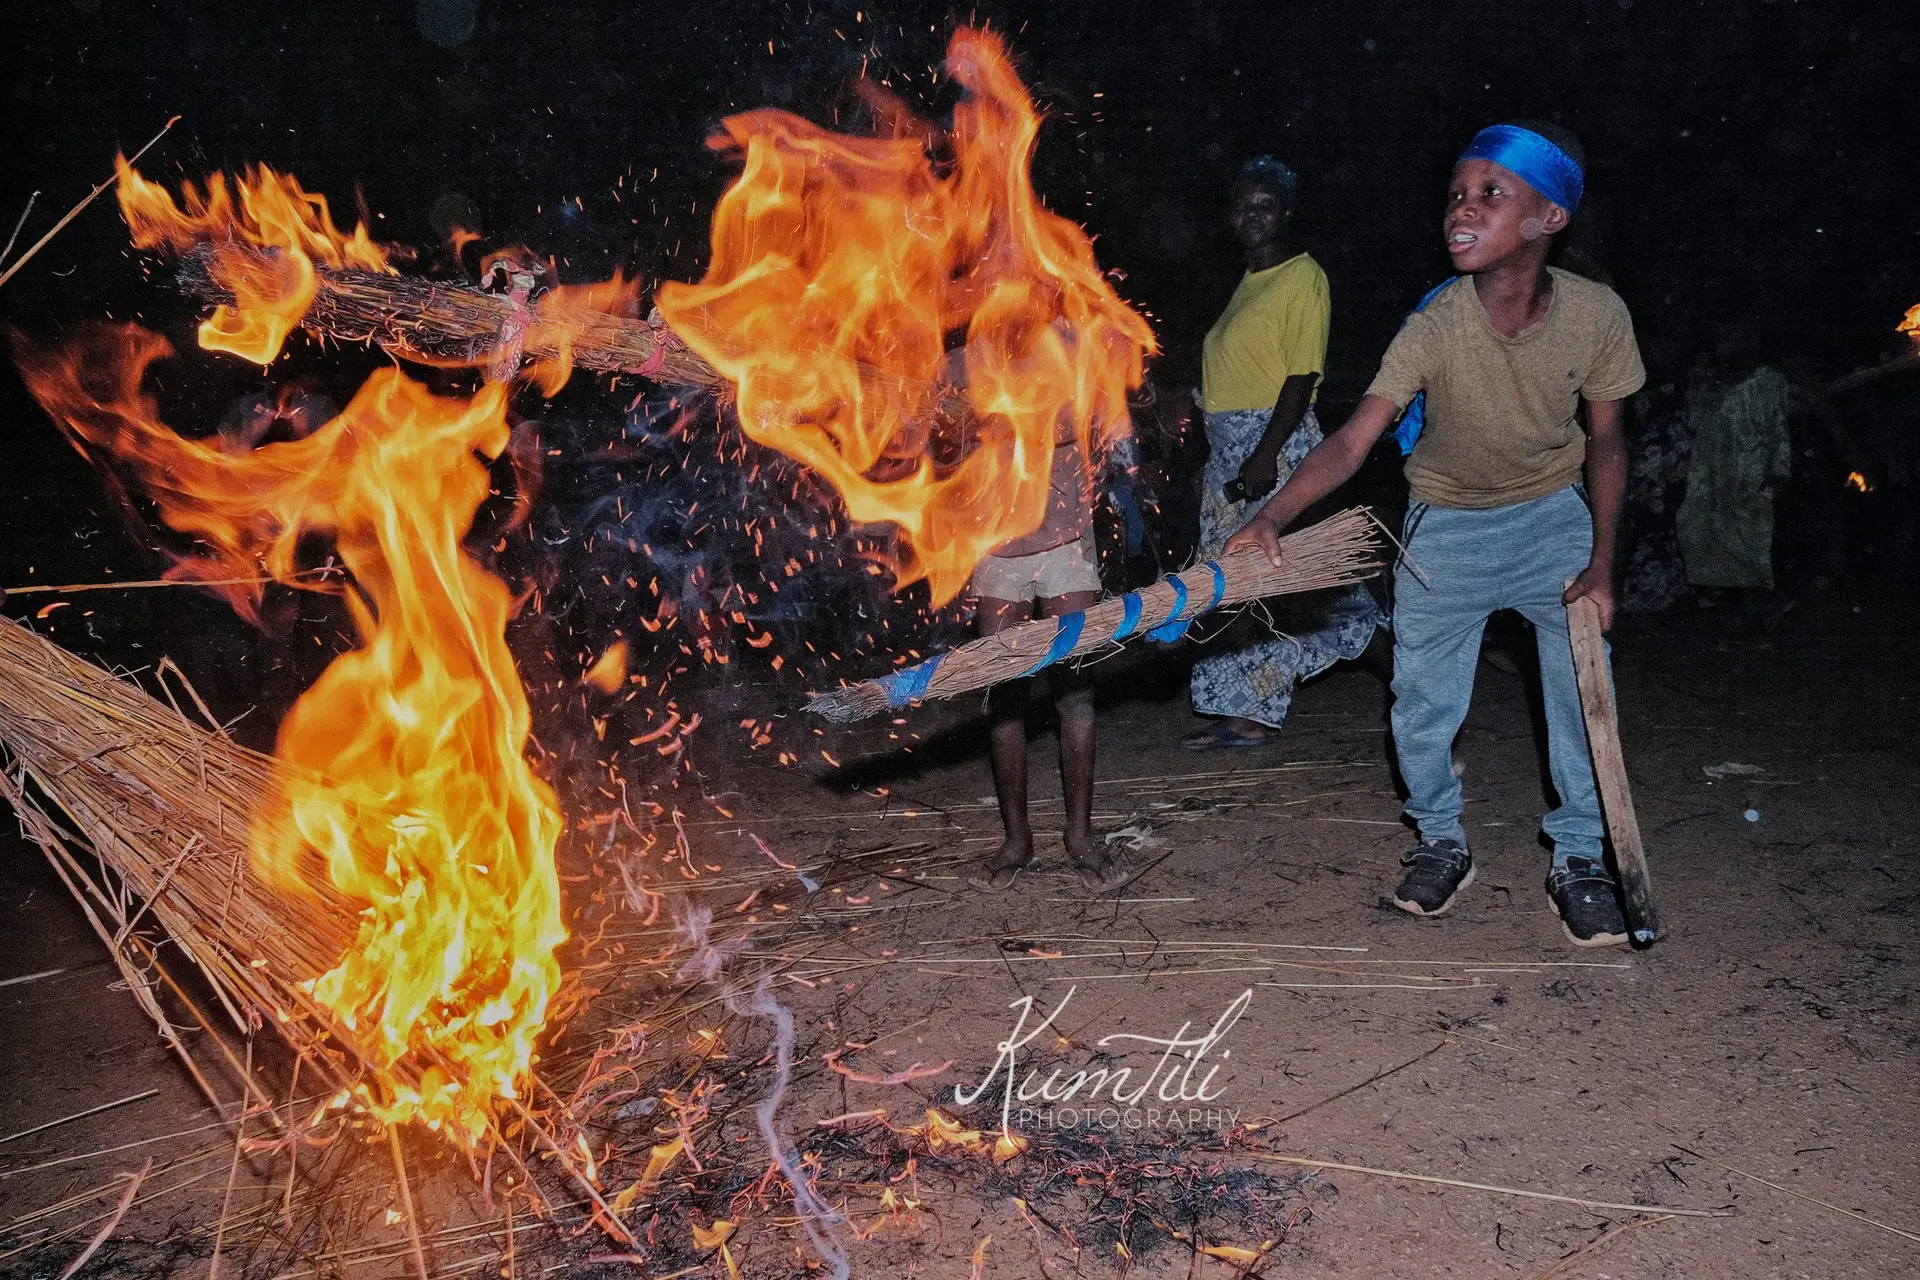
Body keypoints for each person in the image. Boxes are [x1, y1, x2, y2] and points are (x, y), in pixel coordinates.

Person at [1226, 122, 1646, 948]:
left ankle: (1580, 859)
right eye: (1457, 193)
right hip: (1443, 529)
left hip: (1551, 522)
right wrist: (1270, 515)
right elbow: (1354, 439)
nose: (1464, 207)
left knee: (1580, 694)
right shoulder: (1435, 324)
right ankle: (1440, 841)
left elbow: (1607, 441)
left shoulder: (1597, 316)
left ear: (1547, 218)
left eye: (1491, 194)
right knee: (1421, 704)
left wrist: (1600, 565)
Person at [1186, 157, 1383, 749]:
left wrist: (1266, 453)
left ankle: (1403, 670)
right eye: (1243, 205)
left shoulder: (1303, 277)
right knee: (1229, 583)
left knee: (1298, 581)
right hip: (1230, 450)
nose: (1253, 216)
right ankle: (1242, 712)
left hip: (1274, 444)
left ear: (1288, 213)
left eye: (1265, 204)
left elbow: (1300, 377)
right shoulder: (1246, 286)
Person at [959, 343, 1131, 893]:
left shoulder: (1074, 344)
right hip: (994, 547)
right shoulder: (961, 361)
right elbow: (938, 451)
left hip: (1067, 542)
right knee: (1004, 693)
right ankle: (1017, 839)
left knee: (1075, 692)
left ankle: (1080, 836)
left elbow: (1108, 425)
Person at [1675, 326, 1792, 632]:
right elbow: (1692, 421)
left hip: (1750, 475)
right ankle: (1748, 613)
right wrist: (1698, 381)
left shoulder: (1766, 379)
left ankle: (1757, 618)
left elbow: (1778, 429)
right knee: (1718, 541)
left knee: (1750, 544)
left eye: (1732, 338)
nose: (1725, 345)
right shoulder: (1714, 383)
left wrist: (1778, 473)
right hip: (1713, 475)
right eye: (1722, 339)